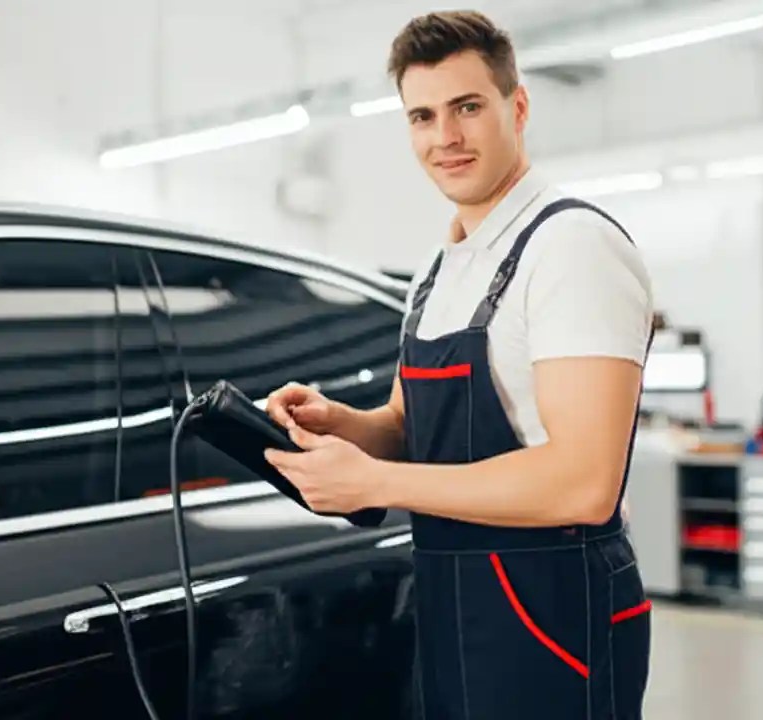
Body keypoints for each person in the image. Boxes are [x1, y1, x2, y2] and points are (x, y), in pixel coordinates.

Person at [264, 10, 654, 720]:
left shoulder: (571, 247)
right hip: (456, 605)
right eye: (422, 116)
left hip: (557, 617)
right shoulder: (438, 270)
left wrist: (375, 482)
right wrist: (342, 426)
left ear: (519, 106)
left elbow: (584, 481)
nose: (444, 137)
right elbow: (411, 429)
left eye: (467, 107)